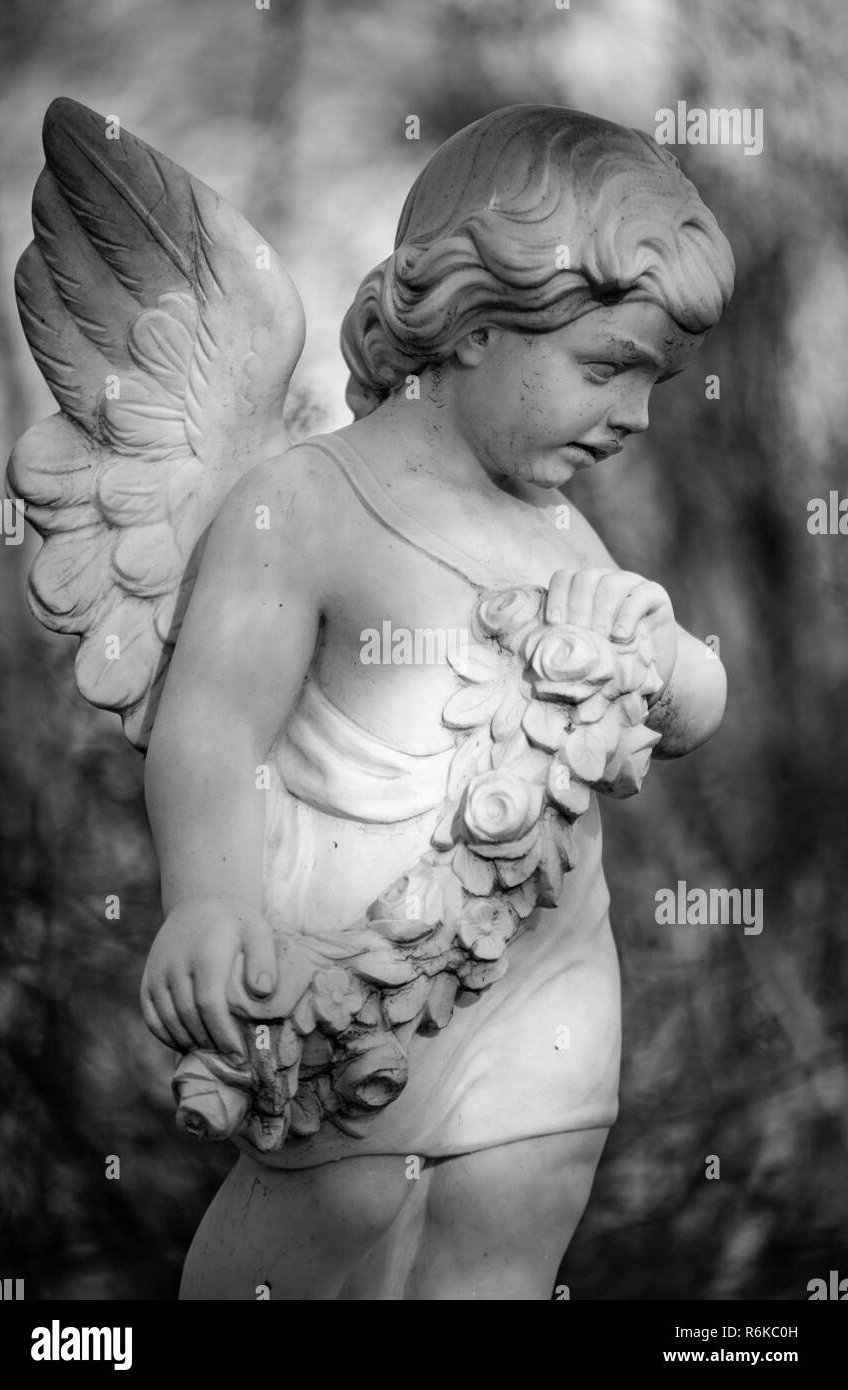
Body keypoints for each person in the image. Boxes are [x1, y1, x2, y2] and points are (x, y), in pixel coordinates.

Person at [140, 104, 735, 1299]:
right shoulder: (307, 499)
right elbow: (213, 724)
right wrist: (205, 903)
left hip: (547, 980)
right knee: (335, 1210)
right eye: (607, 366)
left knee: (510, 1219)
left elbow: (686, 702)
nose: (637, 414)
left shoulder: (557, 525)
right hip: (349, 983)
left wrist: (669, 657)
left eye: (655, 377)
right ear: (470, 325)